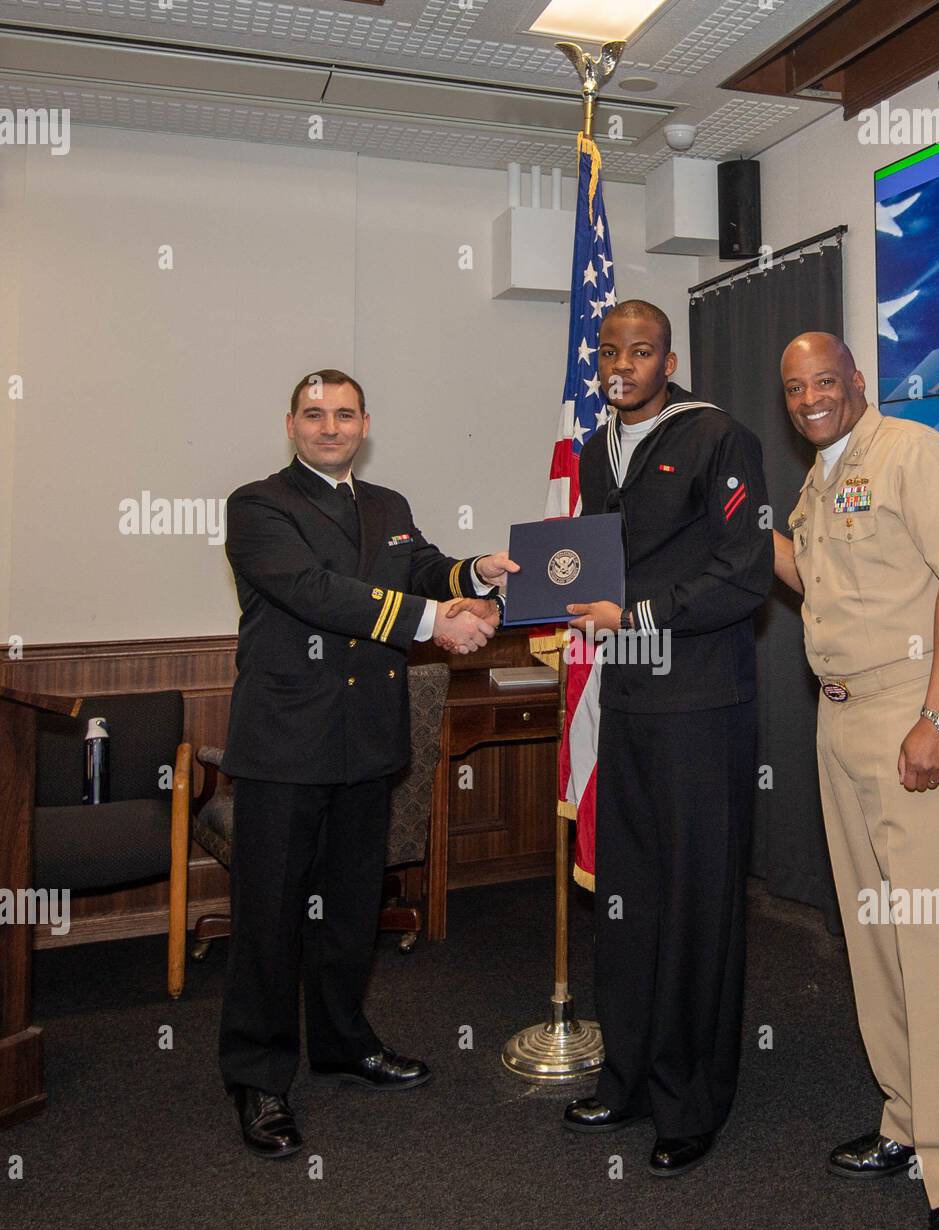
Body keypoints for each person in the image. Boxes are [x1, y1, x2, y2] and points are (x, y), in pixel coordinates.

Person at [219, 368, 513, 1158]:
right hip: (286, 744)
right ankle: (258, 1076)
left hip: (365, 742)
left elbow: (419, 567)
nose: (330, 427)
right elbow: (317, 592)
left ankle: (346, 1043)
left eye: (344, 414)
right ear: (290, 424)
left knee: (349, 911)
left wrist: (473, 576)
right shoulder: (257, 505)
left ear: (365, 423)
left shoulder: (387, 507)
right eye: (314, 415)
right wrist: (435, 623)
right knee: (271, 918)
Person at [774, 332, 939, 1230]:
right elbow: (817, 582)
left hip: (914, 715)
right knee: (874, 933)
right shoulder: (821, 482)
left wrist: (938, 717)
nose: (812, 398)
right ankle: (905, 1123)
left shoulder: (913, 451)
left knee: (932, 941)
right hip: (840, 721)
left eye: (827, 381)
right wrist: (744, 536)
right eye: (796, 389)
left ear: (858, 382)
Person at [563, 300, 772, 1176]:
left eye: (640, 351)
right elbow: (582, 563)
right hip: (630, 707)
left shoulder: (721, 436)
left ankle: (691, 1098)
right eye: (610, 351)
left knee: (695, 906)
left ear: (668, 358)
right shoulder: (591, 451)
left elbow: (744, 574)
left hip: (701, 706)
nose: (623, 365)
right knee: (628, 900)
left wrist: (635, 615)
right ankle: (630, 1074)